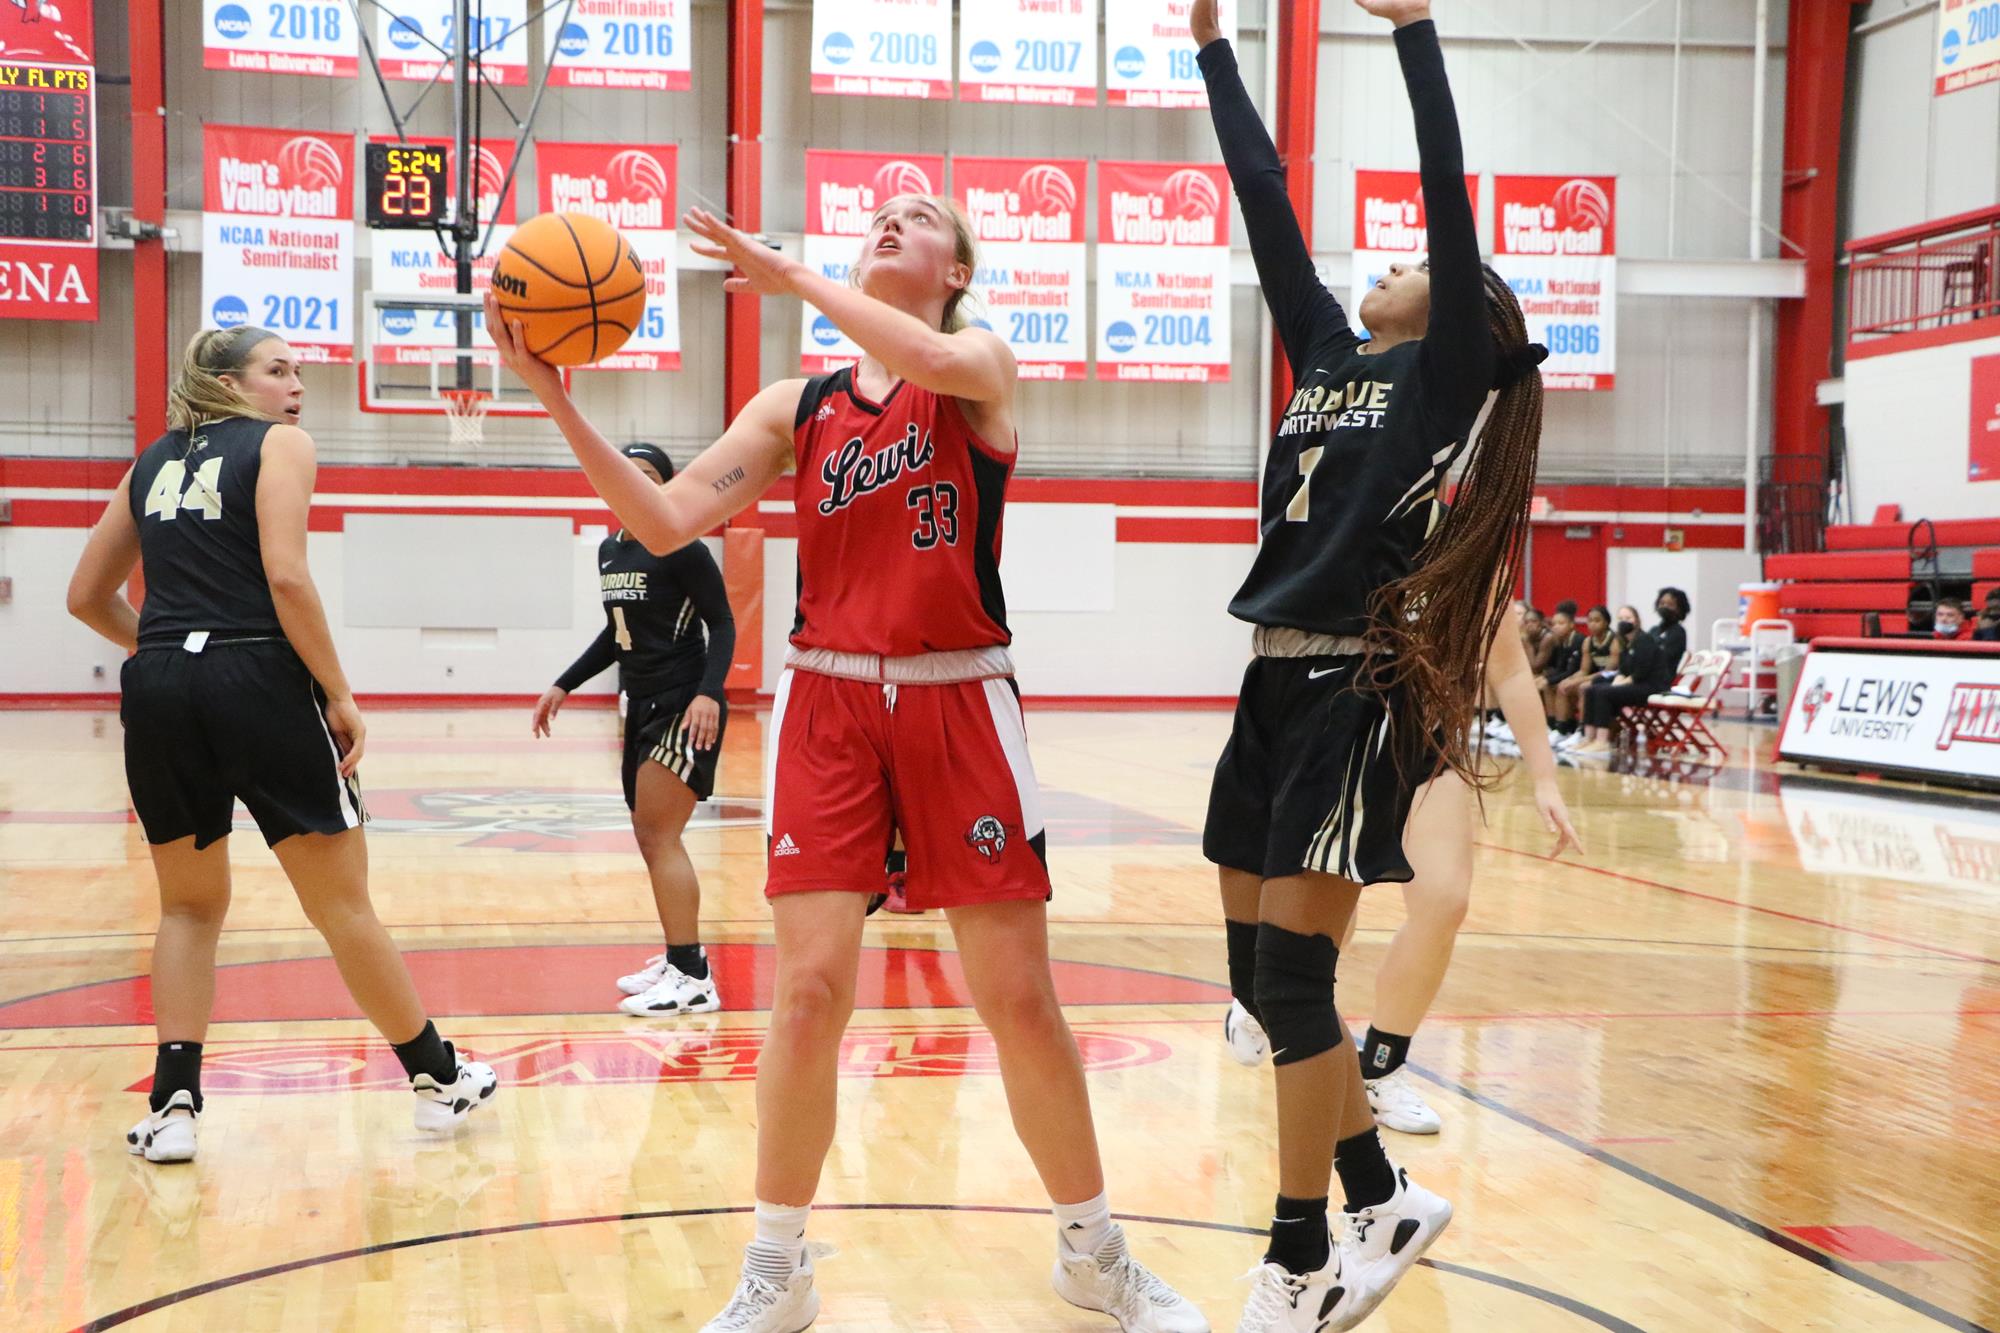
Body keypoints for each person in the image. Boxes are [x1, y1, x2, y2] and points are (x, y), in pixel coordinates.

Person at [486, 194, 1205, 1333]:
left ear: (955, 264)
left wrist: (790, 277)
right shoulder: (798, 405)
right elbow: (667, 520)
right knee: (809, 993)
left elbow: (918, 348)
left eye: (914, 218)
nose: (886, 223)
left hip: (959, 694)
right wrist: (552, 398)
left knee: (1018, 997)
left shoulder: (975, 366)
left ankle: (1094, 1252)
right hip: (827, 699)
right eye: (875, 213)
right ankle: (777, 1266)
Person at [1192, 0, 1549, 1325]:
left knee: (1293, 984)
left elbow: (1448, 197)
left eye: (1412, 261)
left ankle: (1305, 1254)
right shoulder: (1331, 355)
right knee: (1257, 983)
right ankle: (1377, 1191)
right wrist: (1213, 57)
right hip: (1270, 679)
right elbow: (1264, 205)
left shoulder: (1447, 372)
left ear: (1466, 311)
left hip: (1352, 688)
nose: (1387, 261)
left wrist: (1414, 34)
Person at [64, 326, 498, 1164]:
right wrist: (338, 692)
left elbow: (86, 593)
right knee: (342, 904)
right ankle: (438, 1079)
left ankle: (174, 1107)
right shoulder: (280, 446)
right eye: (278, 369)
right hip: (257, 678)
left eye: (299, 370)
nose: (297, 384)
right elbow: (287, 576)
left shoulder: (149, 460)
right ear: (228, 382)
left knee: (189, 907)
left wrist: (163, 651)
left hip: (158, 688)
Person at [1231, 604, 1580, 1139]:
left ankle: (1382, 1066)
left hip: (1426, 742)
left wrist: (1545, 779)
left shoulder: (1466, 541)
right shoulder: (1348, 529)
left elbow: (1507, 669)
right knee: (1325, 914)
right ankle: (1264, 995)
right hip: (1334, 734)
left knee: (1445, 899)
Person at [533, 443, 736, 1016]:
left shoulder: (682, 547)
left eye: (648, 477)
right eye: (627, 475)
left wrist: (709, 693)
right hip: (638, 704)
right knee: (650, 837)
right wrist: (564, 684)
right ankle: (679, 959)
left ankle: (693, 974)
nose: (635, 484)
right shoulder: (610, 549)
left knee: (660, 835)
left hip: (682, 704)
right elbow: (613, 633)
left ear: (668, 487)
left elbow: (720, 622)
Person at [1570, 587, 1691, 755]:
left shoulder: (1676, 633)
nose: (1664, 607)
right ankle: (1588, 737)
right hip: (1639, 678)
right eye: (1662, 603)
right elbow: (1626, 665)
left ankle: (1602, 740)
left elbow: (1648, 664)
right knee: (1593, 687)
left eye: (1669, 604)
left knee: (1604, 692)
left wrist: (1623, 682)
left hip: (1655, 683)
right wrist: (1620, 678)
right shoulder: (1650, 632)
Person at [1552, 604, 1620, 743]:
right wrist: (1570, 679)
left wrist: (1577, 681)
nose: (1592, 624)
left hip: (1614, 678)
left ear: (1606, 622)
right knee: (1563, 686)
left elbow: (1608, 671)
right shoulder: (1588, 642)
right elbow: (1583, 670)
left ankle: (1582, 731)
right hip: (1597, 677)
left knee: (1584, 687)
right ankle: (1563, 729)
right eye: (1590, 621)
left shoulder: (1614, 641)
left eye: (1597, 620)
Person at [1535, 606, 1581, 723]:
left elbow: (1572, 670)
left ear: (1571, 624)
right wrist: (1545, 678)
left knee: (1559, 686)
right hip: (1569, 676)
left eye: (1561, 623)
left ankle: (1564, 727)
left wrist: (1549, 680)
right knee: (1544, 684)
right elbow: (1559, 668)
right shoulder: (1560, 641)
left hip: (1581, 676)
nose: (1556, 627)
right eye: (1554, 624)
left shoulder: (1578, 641)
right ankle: (1552, 724)